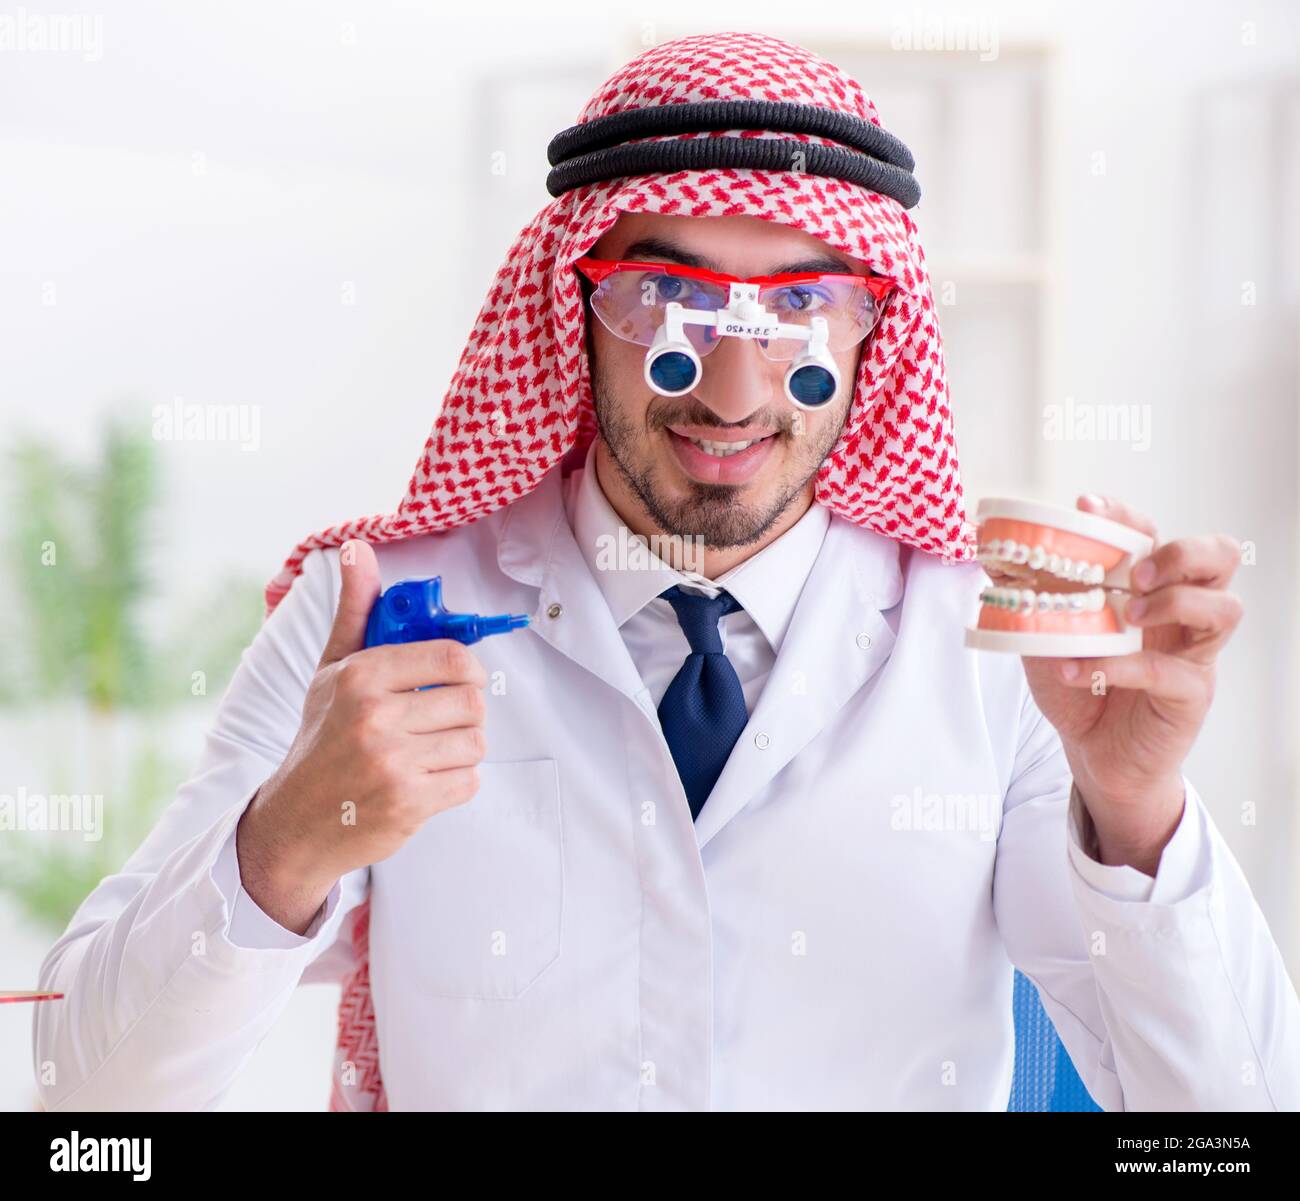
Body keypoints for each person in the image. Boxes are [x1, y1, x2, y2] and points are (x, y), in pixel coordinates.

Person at [34, 31, 1300, 1112]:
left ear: (874, 326)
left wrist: (1137, 811)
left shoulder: (989, 651)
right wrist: (283, 849)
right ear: (569, 302)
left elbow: (1219, 1120)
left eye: (796, 312)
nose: (735, 393)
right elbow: (91, 1097)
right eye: (660, 302)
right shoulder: (367, 613)